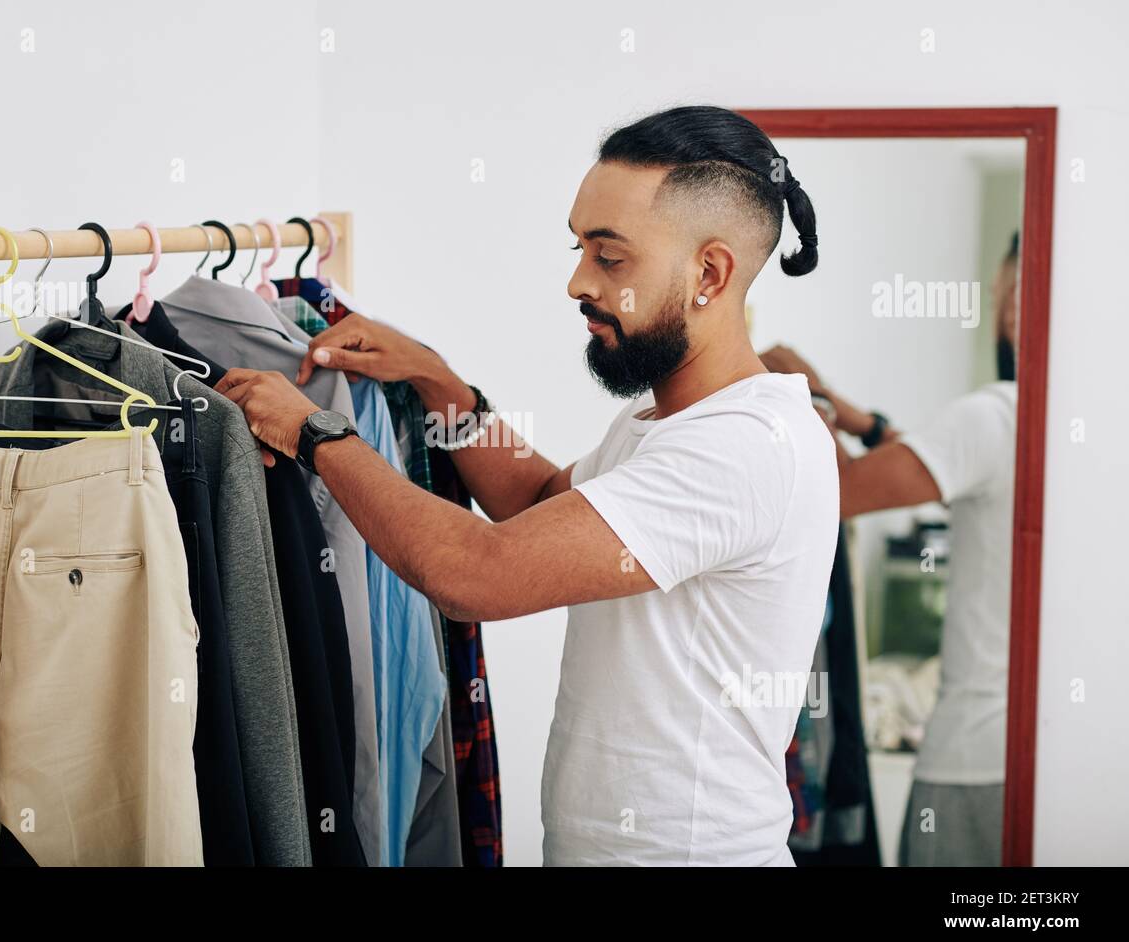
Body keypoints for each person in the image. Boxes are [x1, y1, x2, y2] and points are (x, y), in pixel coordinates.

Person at [216, 106, 840, 866]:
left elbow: (476, 573)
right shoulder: (670, 423)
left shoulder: (741, 449)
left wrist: (318, 434)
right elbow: (541, 498)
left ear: (709, 273)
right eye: (580, 249)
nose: (578, 282)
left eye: (610, 259)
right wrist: (439, 382)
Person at [760, 231, 1021, 866]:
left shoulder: (993, 416)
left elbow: (837, 492)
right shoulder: (1052, 421)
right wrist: (844, 411)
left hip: (973, 763)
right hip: (1041, 761)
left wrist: (800, 406)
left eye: (998, 291)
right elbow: (940, 465)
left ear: (1019, 300)